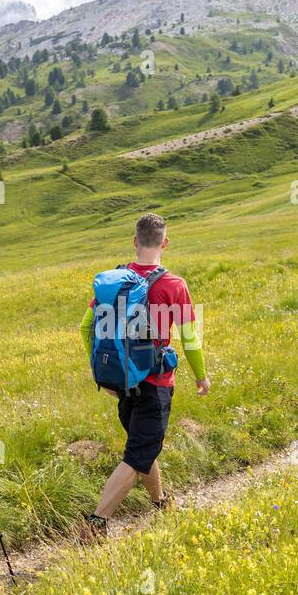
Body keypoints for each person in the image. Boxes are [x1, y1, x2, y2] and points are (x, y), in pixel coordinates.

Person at [79, 213, 209, 538]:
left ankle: (161, 503)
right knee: (137, 456)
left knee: (143, 447)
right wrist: (200, 377)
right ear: (164, 242)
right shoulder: (174, 285)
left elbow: (85, 327)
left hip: (123, 384)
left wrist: (105, 372)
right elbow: (190, 339)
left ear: (135, 242)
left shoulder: (115, 280)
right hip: (155, 386)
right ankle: (96, 523)